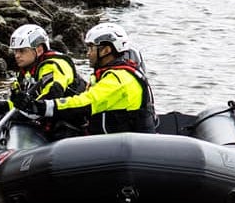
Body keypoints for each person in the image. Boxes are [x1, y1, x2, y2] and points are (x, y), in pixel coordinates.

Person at [14, 22, 157, 134]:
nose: (87, 53)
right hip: (111, 141)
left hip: (125, 145)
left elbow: (84, 103)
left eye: (91, 48)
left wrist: (40, 107)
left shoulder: (119, 79)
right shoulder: (108, 74)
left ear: (106, 50)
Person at [0, 24, 87, 138]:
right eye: (15, 51)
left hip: (72, 122)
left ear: (38, 49)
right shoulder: (25, 73)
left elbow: (51, 96)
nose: (17, 56)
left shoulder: (54, 66)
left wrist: (24, 112)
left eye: (22, 51)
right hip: (50, 118)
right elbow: (20, 104)